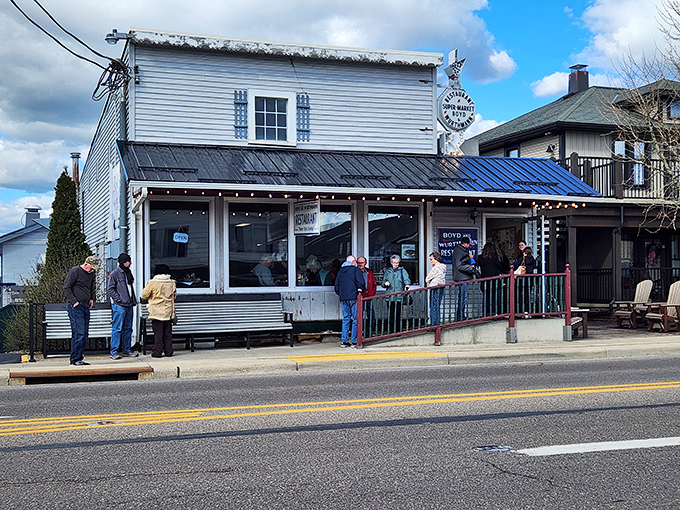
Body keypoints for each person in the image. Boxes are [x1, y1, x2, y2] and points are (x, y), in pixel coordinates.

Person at [63, 255, 100, 366]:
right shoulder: (75, 271)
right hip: (76, 306)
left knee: (84, 334)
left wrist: (92, 298)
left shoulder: (91, 274)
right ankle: (75, 359)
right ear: (86, 264)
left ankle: (79, 357)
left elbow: (91, 287)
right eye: (91, 268)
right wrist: (74, 302)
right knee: (78, 333)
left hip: (85, 305)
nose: (92, 270)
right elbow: (66, 287)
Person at [141, 264, 177, 358]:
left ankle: (157, 352)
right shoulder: (171, 282)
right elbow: (174, 296)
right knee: (167, 333)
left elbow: (144, 295)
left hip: (156, 311)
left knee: (158, 333)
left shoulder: (153, 282)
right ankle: (169, 351)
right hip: (168, 311)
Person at [107, 253, 138, 360]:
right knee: (117, 328)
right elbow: (110, 289)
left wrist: (132, 300)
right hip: (120, 305)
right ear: (123, 262)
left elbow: (130, 288)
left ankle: (126, 349)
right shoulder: (115, 273)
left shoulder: (128, 273)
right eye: (128, 261)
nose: (130, 263)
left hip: (129, 304)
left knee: (128, 328)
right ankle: (114, 351)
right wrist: (118, 299)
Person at [334, 255, 366, 347]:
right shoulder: (356, 270)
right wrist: (359, 290)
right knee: (356, 319)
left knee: (346, 318)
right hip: (354, 297)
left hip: (343, 298)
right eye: (355, 261)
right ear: (352, 262)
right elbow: (361, 283)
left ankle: (344, 340)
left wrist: (341, 294)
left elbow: (336, 286)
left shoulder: (340, 271)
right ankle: (354, 340)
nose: (356, 263)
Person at [382, 254, 411, 333]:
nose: (396, 264)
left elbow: (406, 279)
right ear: (391, 263)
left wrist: (407, 285)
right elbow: (383, 283)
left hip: (399, 296)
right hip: (389, 296)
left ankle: (397, 330)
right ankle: (391, 330)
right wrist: (385, 283)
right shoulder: (388, 271)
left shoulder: (402, 271)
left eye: (397, 263)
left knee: (398, 314)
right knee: (390, 314)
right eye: (394, 263)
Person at [452, 236, 478, 321]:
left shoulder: (461, 250)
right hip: (462, 277)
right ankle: (460, 317)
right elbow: (459, 266)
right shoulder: (459, 251)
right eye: (468, 244)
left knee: (463, 297)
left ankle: (461, 316)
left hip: (463, 277)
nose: (469, 246)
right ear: (465, 244)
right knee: (463, 298)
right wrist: (471, 268)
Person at [478, 242, 503, 316]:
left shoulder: (480, 257)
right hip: (494, 281)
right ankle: (495, 312)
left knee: (486, 298)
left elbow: (476, 266)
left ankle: (486, 313)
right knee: (495, 298)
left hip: (484, 281)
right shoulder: (494, 258)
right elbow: (500, 266)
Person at [357, 256, 377, 335]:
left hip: (368, 297)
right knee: (359, 317)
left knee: (371, 316)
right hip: (359, 298)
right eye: (358, 262)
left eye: (362, 262)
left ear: (365, 263)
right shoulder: (355, 271)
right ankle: (359, 333)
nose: (360, 264)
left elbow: (374, 284)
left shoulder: (369, 272)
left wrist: (372, 293)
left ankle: (368, 333)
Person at [425, 251, 447, 326]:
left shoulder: (435, 268)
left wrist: (431, 280)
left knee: (433, 306)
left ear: (436, 259)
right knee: (437, 305)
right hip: (441, 287)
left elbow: (427, 279)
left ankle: (434, 324)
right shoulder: (443, 267)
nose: (430, 261)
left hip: (434, 287)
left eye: (431, 259)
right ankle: (438, 322)